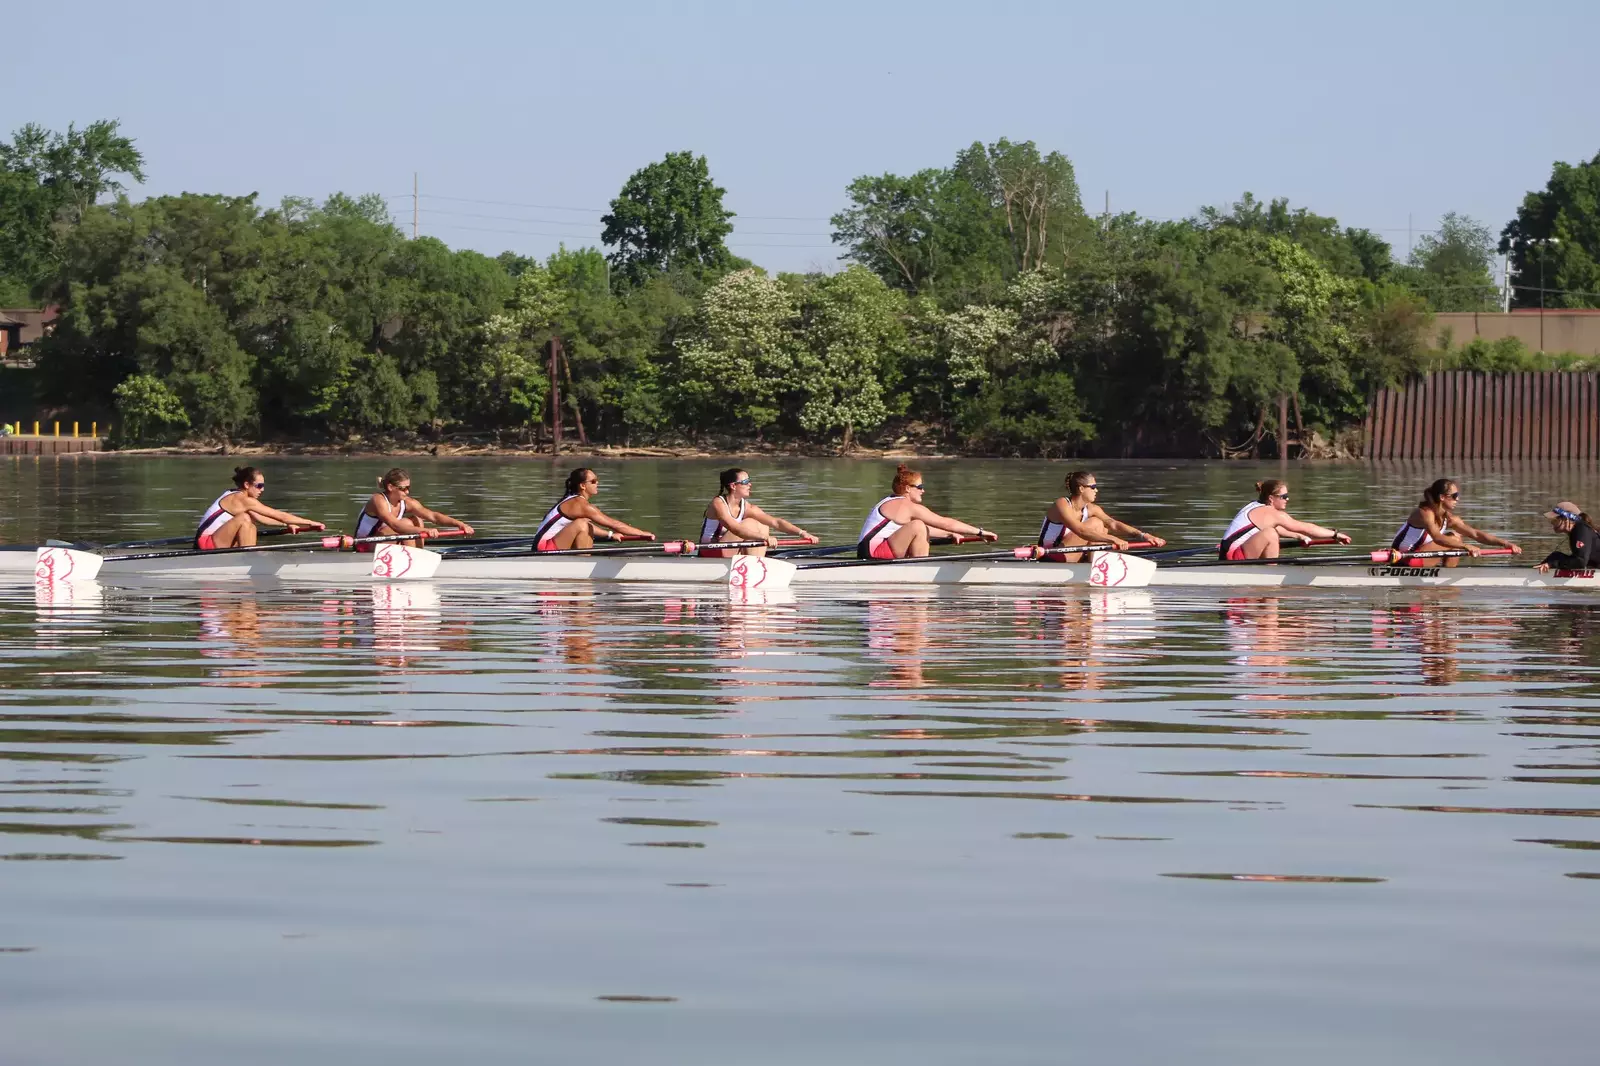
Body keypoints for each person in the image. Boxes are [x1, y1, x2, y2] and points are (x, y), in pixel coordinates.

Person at [857, 464, 998, 560]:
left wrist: (949, 534)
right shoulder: (905, 505)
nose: (923, 491)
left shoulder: (892, 501)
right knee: (918, 525)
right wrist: (980, 532)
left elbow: (927, 529)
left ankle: (917, 565)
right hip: (875, 553)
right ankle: (921, 569)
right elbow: (945, 522)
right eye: (920, 487)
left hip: (869, 550)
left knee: (919, 526)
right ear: (907, 488)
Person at [1038, 471, 1166, 561]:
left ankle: (1095, 563)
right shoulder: (1062, 504)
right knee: (1096, 524)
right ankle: (1096, 564)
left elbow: (1113, 524)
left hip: (1071, 555)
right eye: (1093, 487)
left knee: (1102, 526)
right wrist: (1113, 539)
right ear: (1081, 489)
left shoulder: (1092, 509)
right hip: (1051, 556)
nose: (1096, 490)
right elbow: (1081, 531)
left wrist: (1144, 536)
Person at [1391, 478, 1520, 567]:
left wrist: (1505, 543)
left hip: (1418, 558)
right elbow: (1437, 538)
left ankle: (1447, 578)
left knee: (1456, 537)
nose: (1457, 499)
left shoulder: (1449, 518)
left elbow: (1475, 534)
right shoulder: (1425, 513)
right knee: (1455, 539)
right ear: (1442, 497)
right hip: (1402, 559)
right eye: (1454, 496)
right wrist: (1465, 546)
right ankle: (1446, 582)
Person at [194, 466, 326, 550]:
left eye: (263, 486)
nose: (262, 490)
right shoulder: (240, 499)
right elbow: (279, 515)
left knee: (250, 521)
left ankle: (249, 555)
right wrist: (310, 522)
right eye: (259, 486)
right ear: (247, 485)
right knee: (244, 519)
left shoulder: (240, 498)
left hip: (217, 540)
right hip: (205, 543)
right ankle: (248, 558)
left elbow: (264, 519)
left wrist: (288, 524)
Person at [1218, 479, 1350, 561]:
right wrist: (1335, 534)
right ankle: (1271, 575)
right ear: (1271, 498)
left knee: (1271, 532)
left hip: (1229, 553)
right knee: (1270, 534)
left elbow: (1278, 529)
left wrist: (1298, 536)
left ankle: (1269, 571)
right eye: (1284, 496)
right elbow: (1307, 528)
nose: (1287, 499)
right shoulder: (1272, 513)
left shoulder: (1255, 505)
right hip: (1231, 558)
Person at [700, 468, 819, 558]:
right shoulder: (718, 503)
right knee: (750, 523)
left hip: (731, 550)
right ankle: (755, 564)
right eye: (746, 482)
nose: (750, 484)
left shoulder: (747, 507)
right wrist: (765, 538)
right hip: (711, 551)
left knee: (763, 524)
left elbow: (776, 522)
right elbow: (736, 529)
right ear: (733, 486)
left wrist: (802, 533)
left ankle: (756, 561)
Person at [354, 467, 474, 551]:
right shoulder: (378, 500)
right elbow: (395, 525)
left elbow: (433, 516)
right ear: (390, 487)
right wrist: (425, 531)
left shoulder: (407, 502)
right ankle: (412, 556)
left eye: (408, 487)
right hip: (364, 545)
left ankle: (416, 554)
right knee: (406, 523)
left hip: (386, 542)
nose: (407, 492)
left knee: (417, 520)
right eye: (403, 488)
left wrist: (460, 524)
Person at [534, 468, 652, 551]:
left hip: (551, 544)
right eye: (593, 481)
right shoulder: (580, 505)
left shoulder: (574, 500)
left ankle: (585, 559)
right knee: (582, 524)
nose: (597, 483)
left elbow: (590, 526)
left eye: (597, 481)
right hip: (543, 548)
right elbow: (614, 524)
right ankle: (585, 563)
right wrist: (642, 533)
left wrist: (610, 535)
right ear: (583, 486)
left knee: (584, 524)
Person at [1534, 501, 1598, 573]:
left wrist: (1552, 564)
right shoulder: (1577, 530)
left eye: (1555, 520)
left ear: (1566, 519)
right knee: (1555, 556)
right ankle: (1539, 569)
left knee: (1555, 559)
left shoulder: (1581, 529)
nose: (1552, 523)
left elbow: (1581, 561)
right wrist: (1551, 562)